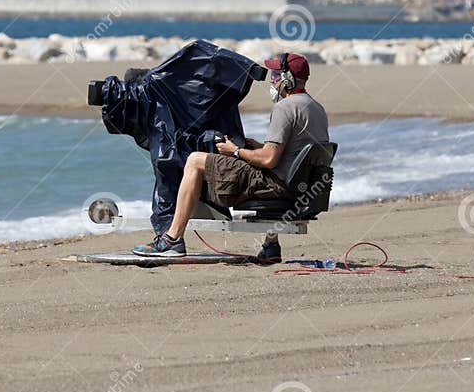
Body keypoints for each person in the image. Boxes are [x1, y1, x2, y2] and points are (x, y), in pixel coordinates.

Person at [133, 52, 330, 260]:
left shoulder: (285, 107)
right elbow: (292, 155)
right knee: (247, 157)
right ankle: (271, 245)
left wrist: (235, 151)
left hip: (276, 186)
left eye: (276, 75)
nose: (272, 80)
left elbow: (269, 160)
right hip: (298, 188)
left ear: (288, 80)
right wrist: (258, 147)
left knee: (194, 161)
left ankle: (172, 239)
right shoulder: (317, 109)